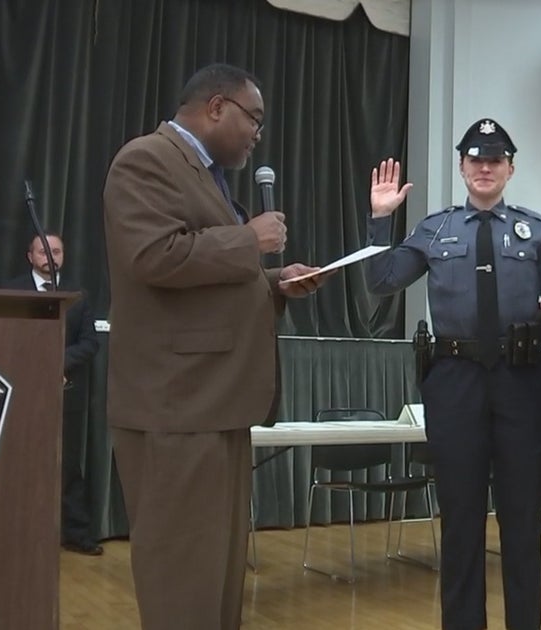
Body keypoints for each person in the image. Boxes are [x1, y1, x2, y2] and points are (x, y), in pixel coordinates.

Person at [102, 63, 325, 630]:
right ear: (217, 107)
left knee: (216, 571)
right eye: (255, 120)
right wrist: (248, 240)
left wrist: (277, 283)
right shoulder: (145, 159)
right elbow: (154, 257)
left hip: (215, 406)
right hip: (175, 406)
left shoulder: (206, 176)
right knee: (182, 572)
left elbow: (209, 276)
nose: (258, 135)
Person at [365, 118, 541, 630]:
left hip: (522, 379)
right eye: (476, 159)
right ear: (462, 167)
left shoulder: (535, 228)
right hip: (455, 380)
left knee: (523, 518)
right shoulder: (435, 229)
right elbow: (381, 281)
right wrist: (380, 220)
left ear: (510, 168)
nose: (485, 168)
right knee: (460, 518)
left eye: (495, 160)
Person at [5, 232, 102, 555]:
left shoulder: (77, 294)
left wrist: (57, 362)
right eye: (43, 251)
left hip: (66, 393)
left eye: (56, 251)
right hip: (21, 393)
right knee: (20, 463)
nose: (51, 256)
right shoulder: (12, 291)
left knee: (68, 465)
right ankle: (18, 533)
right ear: (29, 256)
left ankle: (75, 534)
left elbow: (90, 342)